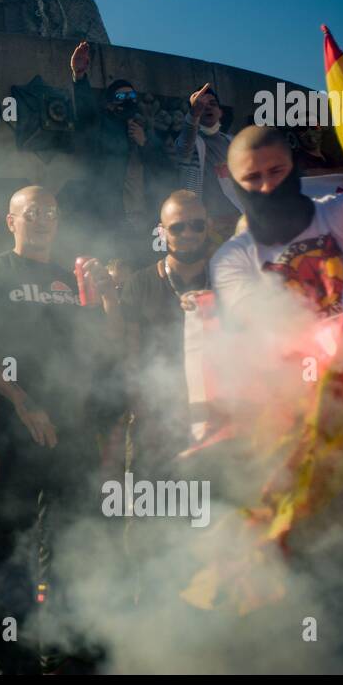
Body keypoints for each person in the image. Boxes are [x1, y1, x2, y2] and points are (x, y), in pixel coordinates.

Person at [0, 185, 122, 673]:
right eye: (32, 212)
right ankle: (16, 655)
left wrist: (109, 295)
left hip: (71, 432)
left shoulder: (71, 278)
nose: (43, 219)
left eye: (50, 212)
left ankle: (67, 651)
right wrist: (23, 401)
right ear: (11, 221)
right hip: (14, 429)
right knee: (15, 545)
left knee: (74, 541)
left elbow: (106, 352)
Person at [209, 123, 343, 365]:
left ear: (294, 166)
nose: (267, 186)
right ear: (235, 183)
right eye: (253, 178)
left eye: (276, 171)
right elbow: (258, 328)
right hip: (303, 397)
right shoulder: (231, 258)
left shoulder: (341, 210)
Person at [121, 190, 213, 478]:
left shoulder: (225, 278)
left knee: (213, 515)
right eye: (177, 227)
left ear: (208, 225)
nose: (189, 233)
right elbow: (130, 355)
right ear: (162, 232)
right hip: (157, 421)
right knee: (152, 514)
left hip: (216, 419)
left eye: (197, 224)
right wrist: (140, 411)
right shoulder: (139, 283)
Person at [61, 40, 178, 264]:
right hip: (108, 218)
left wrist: (145, 143)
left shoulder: (145, 133)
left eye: (132, 97)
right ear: (111, 102)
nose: (129, 102)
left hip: (146, 223)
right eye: (122, 97)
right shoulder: (104, 125)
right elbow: (87, 116)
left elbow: (166, 172)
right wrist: (80, 77)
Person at [173, 82, 239, 237]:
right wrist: (194, 113)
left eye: (213, 104)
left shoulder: (233, 142)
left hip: (239, 218)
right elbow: (184, 146)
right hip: (206, 223)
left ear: (220, 112)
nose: (208, 107)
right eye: (202, 105)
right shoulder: (193, 141)